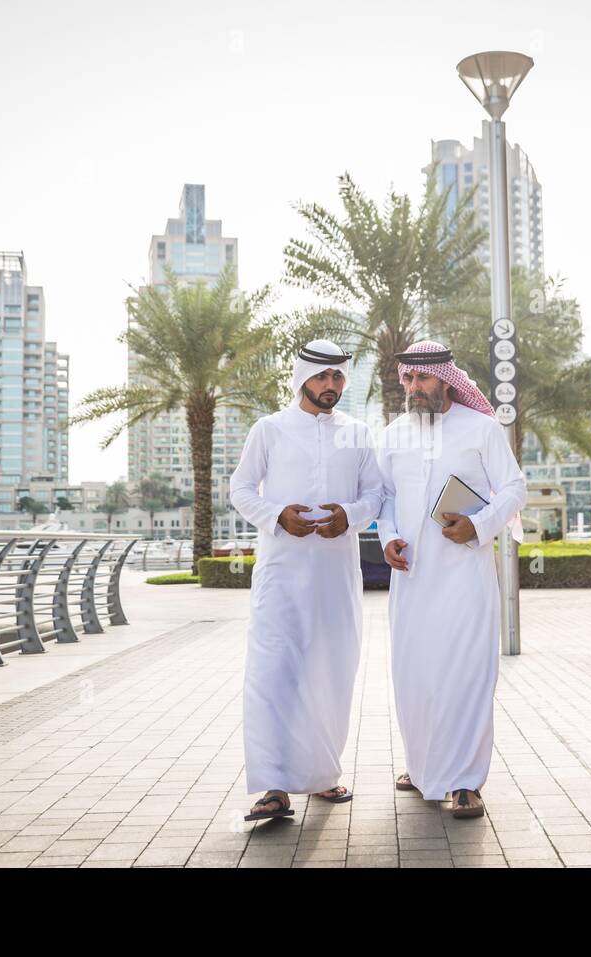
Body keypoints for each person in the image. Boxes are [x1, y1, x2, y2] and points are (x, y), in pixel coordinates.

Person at [229, 340, 384, 822]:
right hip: (280, 574)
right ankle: (273, 787)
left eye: (338, 377)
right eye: (322, 376)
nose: (331, 385)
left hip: (336, 577)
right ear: (301, 379)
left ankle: (323, 775)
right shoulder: (269, 429)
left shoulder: (358, 434)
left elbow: (376, 495)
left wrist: (349, 516)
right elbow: (240, 490)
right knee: (273, 673)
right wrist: (277, 515)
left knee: (331, 671)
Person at [375, 340, 527, 818]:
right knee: (414, 674)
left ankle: (463, 781)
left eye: (423, 377)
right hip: (412, 577)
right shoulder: (393, 434)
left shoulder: (481, 428)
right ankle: (423, 768)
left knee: (465, 676)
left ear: (445, 378)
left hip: (465, 576)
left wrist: (479, 525)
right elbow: (383, 496)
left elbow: (515, 488)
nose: (414, 387)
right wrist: (388, 537)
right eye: (408, 378)